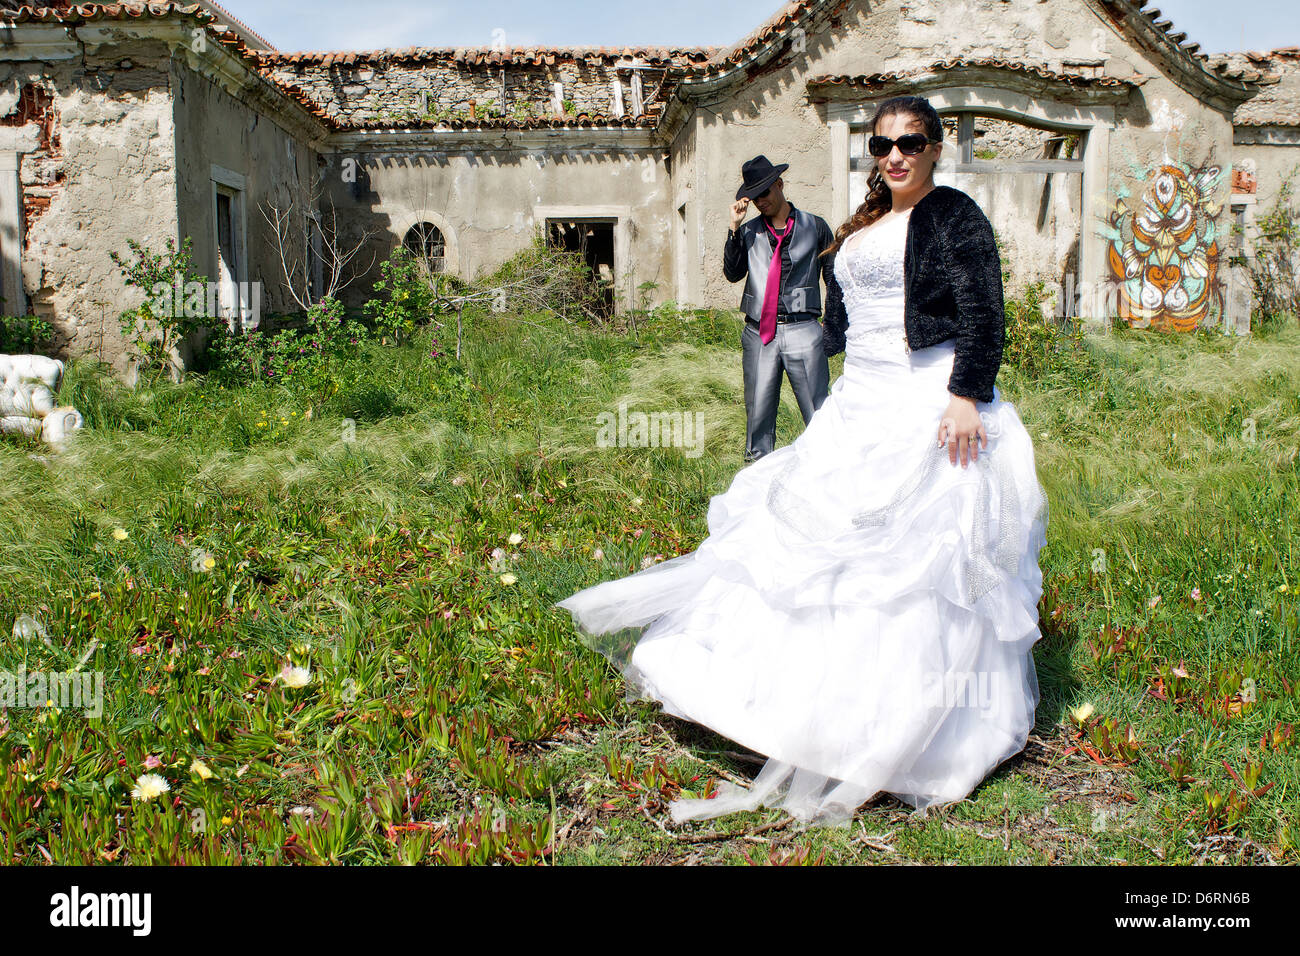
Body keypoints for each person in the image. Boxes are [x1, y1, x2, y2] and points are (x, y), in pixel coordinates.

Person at [554, 95, 1049, 828]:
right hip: (863, 400)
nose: (895, 157)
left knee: (911, 565)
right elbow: (846, 309)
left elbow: (984, 308)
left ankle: (905, 731)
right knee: (819, 545)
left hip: (930, 399)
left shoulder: (953, 216)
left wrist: (967, 394)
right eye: (882, 145)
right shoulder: (862, 221)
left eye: (911, 143)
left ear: (937, 147)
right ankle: (797, 705)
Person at [724, 156, 835, 461]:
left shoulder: (816, 226)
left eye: (765, 192)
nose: (761, 201)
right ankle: (757, 484)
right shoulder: (748, 233)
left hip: (804, 329)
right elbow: (733, 273)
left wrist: (832, 325)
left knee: (818, 411)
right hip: (759, 332)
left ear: (780, 185)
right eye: (754, 196)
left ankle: (828, 471)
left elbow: (834, 278)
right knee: (757, 415)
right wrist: (734, 229)